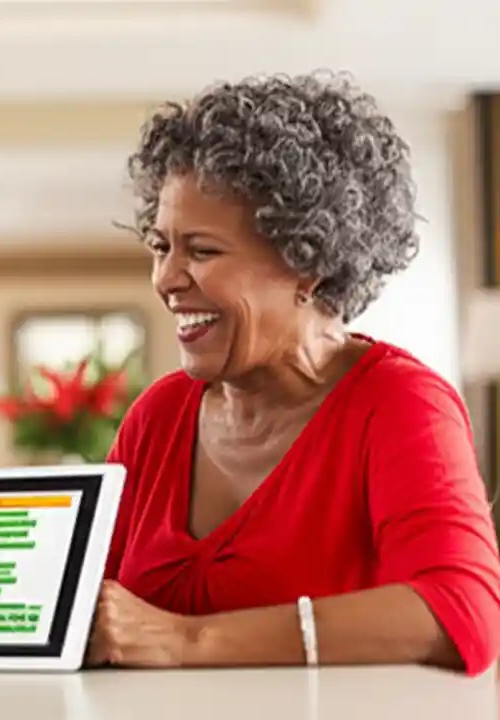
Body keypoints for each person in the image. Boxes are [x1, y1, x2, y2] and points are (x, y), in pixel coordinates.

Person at [88, 72, 500, 676]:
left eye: (201, 251)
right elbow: (85, 609)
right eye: (160, 246)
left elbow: (459, 612)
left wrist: (188, 641)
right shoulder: (158, 415)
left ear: (308, 264)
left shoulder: (399, 403)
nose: (166, 279)